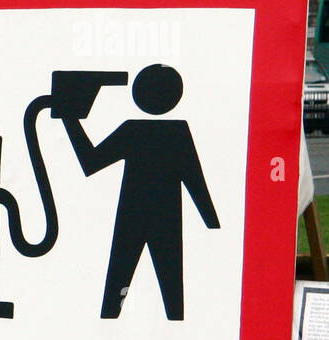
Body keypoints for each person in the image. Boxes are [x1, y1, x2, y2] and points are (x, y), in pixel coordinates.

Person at [60, 64, 219, 321]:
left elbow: (90, 162)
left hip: (135, 215)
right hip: (159, 216)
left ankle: (115, 328)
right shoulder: (174, 132)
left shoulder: (137, 130)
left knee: (129, 285)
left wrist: (69, 118)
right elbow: (195, 180)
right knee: (167, 288)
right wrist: (211, 221)